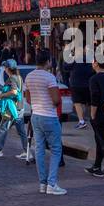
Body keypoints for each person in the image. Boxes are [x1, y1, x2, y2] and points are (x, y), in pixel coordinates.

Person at [24, 50, 66, 195]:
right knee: (56, 150)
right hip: (49, 116)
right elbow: (56, 100)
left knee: (40, 149)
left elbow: (28, 98)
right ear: (47, 61)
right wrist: (54, 102)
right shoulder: (50, 77)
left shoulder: (29, 77)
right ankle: (52, 184)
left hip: (36, 115)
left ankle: (42, 183)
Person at [0, 59, 28, 159]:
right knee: (21, 131)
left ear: (8, 69)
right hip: (19, 107)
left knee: (2, 128)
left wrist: (2, 95)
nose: (4, 69)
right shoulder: (19, 77)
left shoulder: (12, 78)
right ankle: (26, 151)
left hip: (11, 108)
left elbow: (14, 92)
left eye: (5, 67)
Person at [67, 56, 93, 130]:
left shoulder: (74, 59)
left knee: (77, 103)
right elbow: (92, 71)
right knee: (86, 103)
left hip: (76, 84)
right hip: (87, 84)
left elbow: (66, 67)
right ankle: (88, 119)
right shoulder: (89, 59)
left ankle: (82, 121)